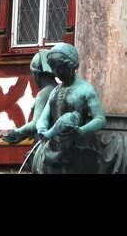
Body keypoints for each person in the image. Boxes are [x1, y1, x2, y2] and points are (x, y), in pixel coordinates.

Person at [35, 42, 106, 173]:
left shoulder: (86, 90)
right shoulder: (55, 91)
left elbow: (100, 119)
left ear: (69, 66)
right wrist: (42, 128)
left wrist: (82, 130)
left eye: (58, 68)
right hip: (54, 147)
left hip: (78, 148)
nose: (55, 73)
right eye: (53, 68)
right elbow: (44, 116)